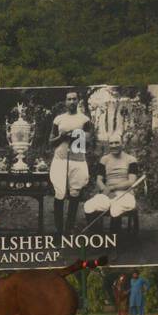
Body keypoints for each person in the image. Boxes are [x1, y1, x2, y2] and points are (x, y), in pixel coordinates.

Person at [48, 90, 92, 234]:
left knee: (75, 192)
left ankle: (69, 228)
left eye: (74, 99)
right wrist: (62, 137)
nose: (72, 101)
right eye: (69, 99)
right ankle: (59, 230)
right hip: (60, 159)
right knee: (59, 192)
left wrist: (76, 135)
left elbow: (89, 139)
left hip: (78, 160)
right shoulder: (58, 119)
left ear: (78, 101)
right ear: (65, 102)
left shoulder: (84, 119)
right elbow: (51, 141)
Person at [83, 139, 139, 233]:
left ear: (122, 144)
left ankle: (115, 240)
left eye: (117, 142)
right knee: (89, 206)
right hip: (108, 192)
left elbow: (131, 181)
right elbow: (99, 180)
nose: (114, 145)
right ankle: (96, 238)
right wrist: (107, 191)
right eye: (111, 143)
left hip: (125, 193)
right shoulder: (104, 159)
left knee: (116, 209)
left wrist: (113, 187)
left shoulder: (131, 159)